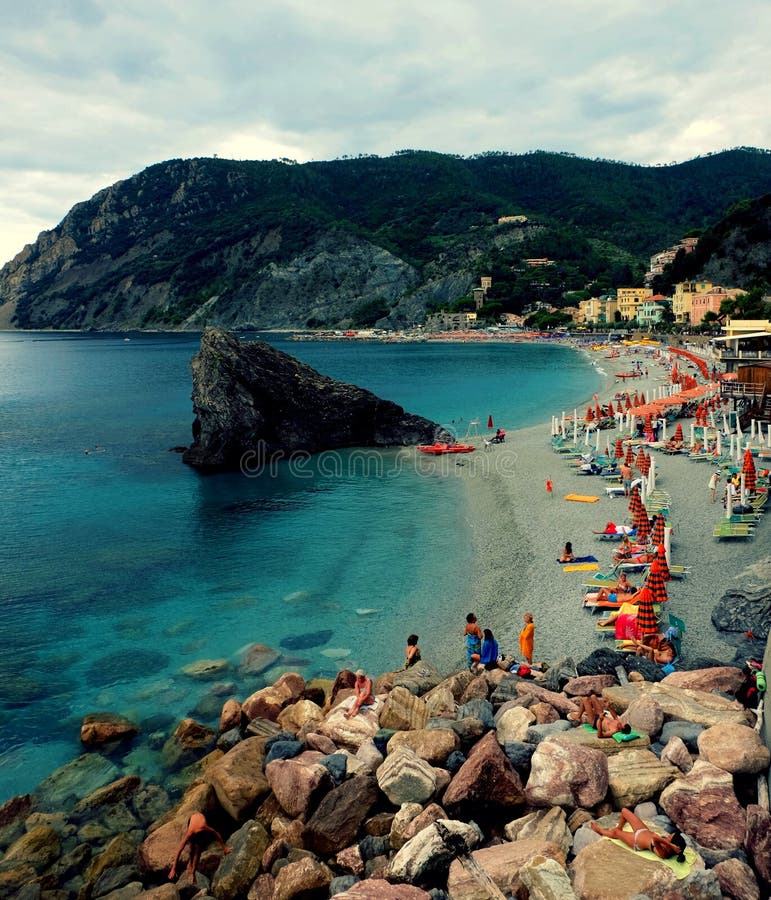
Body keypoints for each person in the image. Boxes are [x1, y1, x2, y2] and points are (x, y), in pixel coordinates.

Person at [590, 808, 687, 862]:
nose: (668, 836)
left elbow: (654, 838)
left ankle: (600, 831)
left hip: (636, 841)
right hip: (643, 830)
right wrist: (671, 844)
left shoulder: (663, 853)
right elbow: (653, 835)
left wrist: (671, 846)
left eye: (670, 837)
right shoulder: (667, 843)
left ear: (673, 846)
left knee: (616, 833)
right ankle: (619, 827)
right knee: (624, 811)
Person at [169, 812, 231, 880]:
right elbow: (179, 850)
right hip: (192, 820)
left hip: (201, 818)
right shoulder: (190, 833)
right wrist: (173, 868)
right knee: (191, 847)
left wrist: (224, 848)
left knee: (197, 851)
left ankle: (193, 872)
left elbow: (216, 833)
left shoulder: (204, 827)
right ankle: (190, 862)